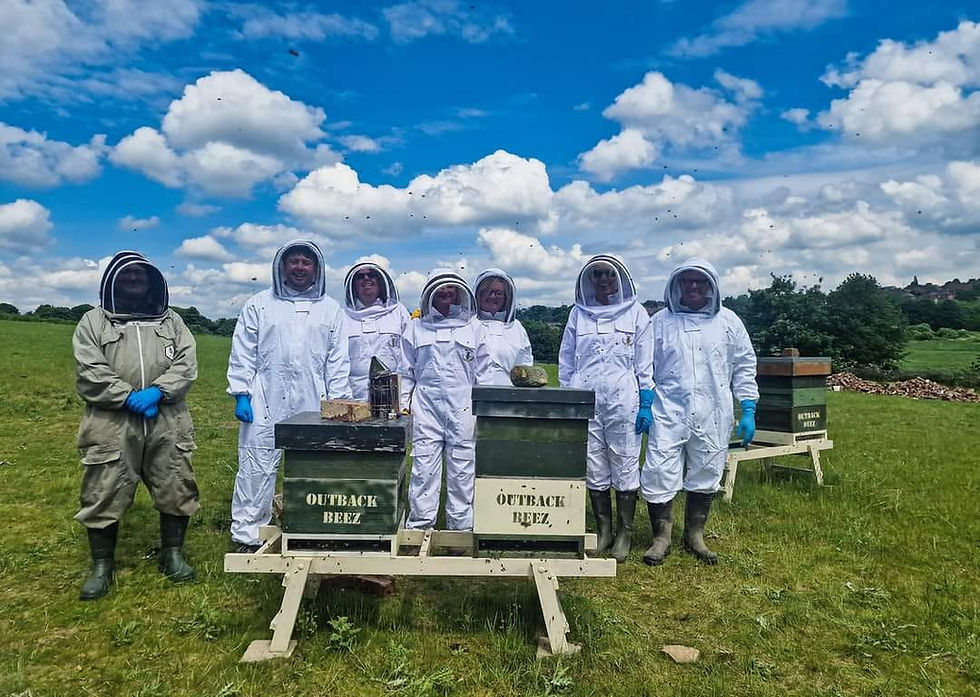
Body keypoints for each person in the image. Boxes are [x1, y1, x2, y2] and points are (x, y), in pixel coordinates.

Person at [73, 251, 199, 600]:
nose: (133, 281)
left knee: (176, 481)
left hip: (167, 417)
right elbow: (89, 369)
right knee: (104, 488)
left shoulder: (172, 321)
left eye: (139, 276)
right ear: (112, 282)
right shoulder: (94, 322)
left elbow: (187, 364)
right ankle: (102, 566)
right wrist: (127, 396)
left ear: (152, 282)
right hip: (111, 420)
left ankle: (172, 555)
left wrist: (158, 391)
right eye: (126, 276)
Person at [227, 240, 352, 552]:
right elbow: (243, 352)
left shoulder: (331, 309)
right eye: (293, 261)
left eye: (305, 263)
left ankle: (313, 527)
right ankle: (248, 534)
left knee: (313, 466)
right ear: (282, 266)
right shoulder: (259, 304)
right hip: (265, 395)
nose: (299, 267)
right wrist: (241, 392)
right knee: (256, 464)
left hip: (314, 397)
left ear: (316, 269)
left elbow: (338, 360)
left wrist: (337, 401)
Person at [640, 258, 758, 566]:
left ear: (712, 286)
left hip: (713, 410)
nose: (693, 286)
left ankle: (695, 535)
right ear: (676, 286)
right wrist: (644, 402)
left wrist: (748, 407)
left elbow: (744, 366)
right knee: (659, 469)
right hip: (667, 409)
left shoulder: (730, 322)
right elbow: (644, 367)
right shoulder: (660, 322)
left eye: (700, 281)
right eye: (687, 281)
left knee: (707, 469)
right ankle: (661, 537)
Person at [558, 255, 653, 563]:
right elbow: (566, 360)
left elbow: (644, 362)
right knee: (594, 464)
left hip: (623, 396)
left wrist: (646, 401)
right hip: (585, 396)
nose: (603, 280)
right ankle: (604, 531)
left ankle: (625, 533)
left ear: (619, 278)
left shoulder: (637, 314)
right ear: (589, 280)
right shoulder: (578, 315)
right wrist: (566, 399)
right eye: (597, 275)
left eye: (608, 275)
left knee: (624, 462)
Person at [399, 269, 490, 530]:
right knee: (424, 466)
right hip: (426, 406)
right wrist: (405, 405)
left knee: (462, 467)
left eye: (451, 289)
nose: (446, 293)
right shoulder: (415, 327)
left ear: (460, 293)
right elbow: (406, 371)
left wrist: (483, 407)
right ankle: (419, 527)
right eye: (441, 290)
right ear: (430, 294)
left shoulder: (474, 327)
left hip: (464, 406)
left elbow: (483, 372)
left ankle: (460, 529)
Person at [342, 262, 411, 401]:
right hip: (354, 396)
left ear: (380, 281)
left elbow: (408, 358)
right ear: (353, 284)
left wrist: (404, 400)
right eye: (360, 276)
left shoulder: (399, 312)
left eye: (371, 275)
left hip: (393, 396)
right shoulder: (342, 316)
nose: (366, 279)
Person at [473, 268, 534, 385]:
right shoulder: (467, 325)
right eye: (487, 292)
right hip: (470, 396)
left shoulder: (517, 328)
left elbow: (525, 365)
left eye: (498, 293)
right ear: (478, 295)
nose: (492, 296)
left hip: (508, 396)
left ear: (507, 297)